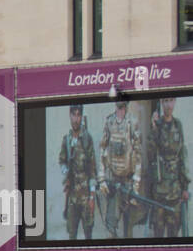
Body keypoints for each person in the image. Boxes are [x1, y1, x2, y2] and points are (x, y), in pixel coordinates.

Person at [97, 99, 142, 239]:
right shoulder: (109, 122)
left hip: (128, 180)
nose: (120, 108)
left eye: (123, 105)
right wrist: (102, 178)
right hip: (113, 180)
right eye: (118, 105)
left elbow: (138, 154)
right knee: (111, 225)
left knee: (128, 227)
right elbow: (102, 150)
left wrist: (135, 185)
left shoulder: (132, 122)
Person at [149, 97, 189, 239]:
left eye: (171, 100)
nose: (169, 104)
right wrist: (153, 129)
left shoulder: (178, 125)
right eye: (165, 101)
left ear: (175, 102)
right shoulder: (156, 126)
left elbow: (182, 156)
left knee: (174, 233)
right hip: (159, 192)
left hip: (175, 192)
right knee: (158, 234)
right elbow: (150, 155)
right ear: (161, 103)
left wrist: (185, 187)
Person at [59, 102, 98, 240]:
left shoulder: (87, 139)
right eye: (73, 115)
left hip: (86, 197)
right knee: (72, 235)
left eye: (78, 115)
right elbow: (62, 160)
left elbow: (93, 170)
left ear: (81, 117)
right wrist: (66, 171)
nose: (76, 119)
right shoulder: (67, 140)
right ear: (69, 116)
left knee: (88, 234)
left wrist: (92, 197)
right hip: (72, 198)